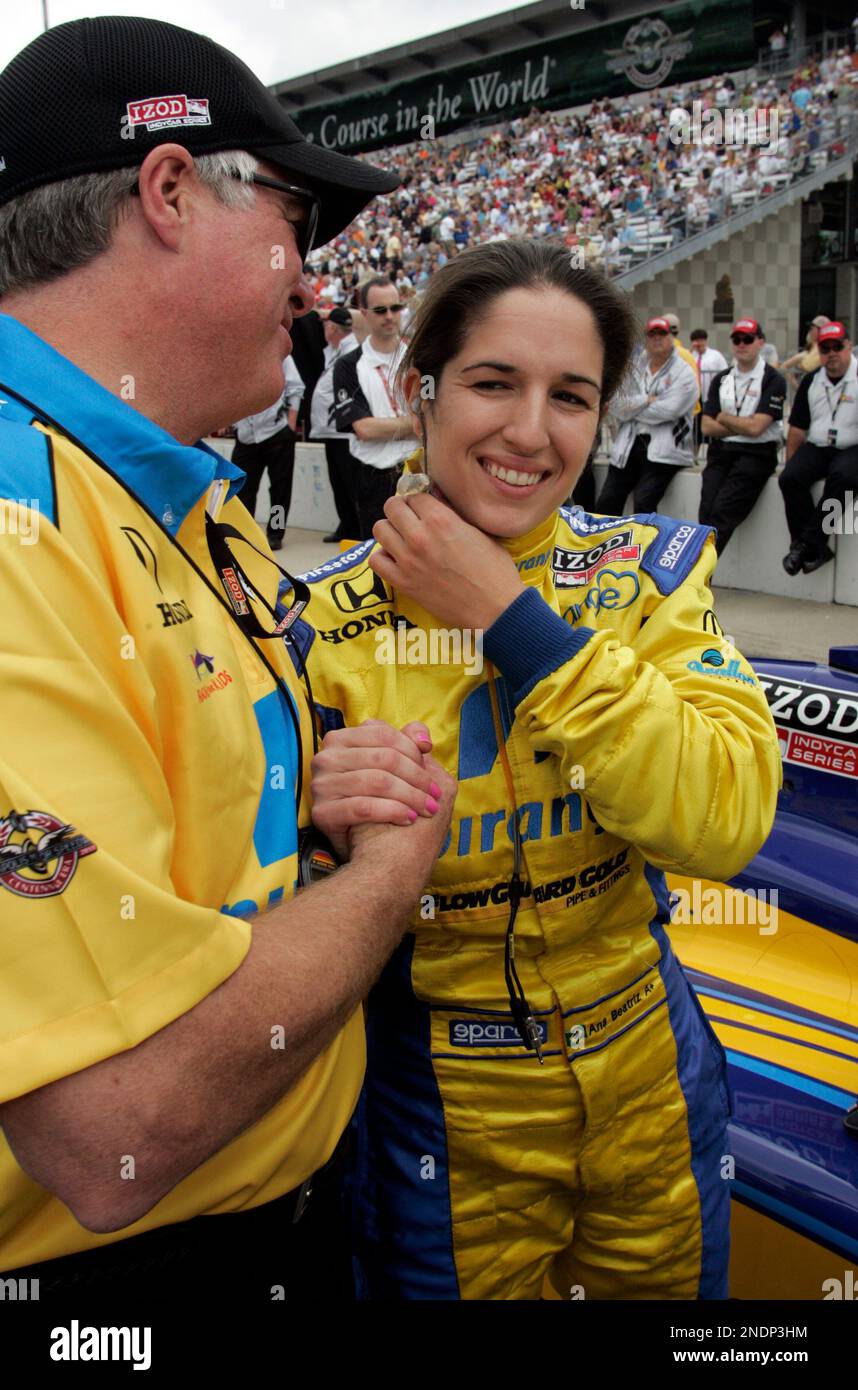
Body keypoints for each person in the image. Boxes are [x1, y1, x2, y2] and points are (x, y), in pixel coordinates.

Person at [0, 15, 455, 1298]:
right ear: (167, 191)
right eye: (297, 226)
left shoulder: (182, 494)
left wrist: (312, 797)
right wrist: (389, 865)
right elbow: (116, 1134)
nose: (310, 281)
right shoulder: (17, 525)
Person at [297, 240, 781, 1300]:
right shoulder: (314, 622)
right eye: (492, 383)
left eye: (570, 396)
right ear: (421, 391)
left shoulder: (649, 572)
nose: (529, 432)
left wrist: (512, 624)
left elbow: (724, 818)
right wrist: (315, 835)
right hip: (434, 1104)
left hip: (652, 1068)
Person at [332, 277, 414, 539]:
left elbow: (436, 414)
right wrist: (415, 424)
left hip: (418, 471)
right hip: (374, 479)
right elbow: (365, 429)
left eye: (395, 308)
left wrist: (390, 426)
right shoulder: (348, 365)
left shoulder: (421, 357)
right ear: (365, 314)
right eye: (380, 310)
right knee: (379, 558)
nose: (390, 316)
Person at [699, 318, 786, 554]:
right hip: (722, 451)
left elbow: (756, 429)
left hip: (756, 454)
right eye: (737, 339)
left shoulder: (773, 379)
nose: (742, 344)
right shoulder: (722, 378)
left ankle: (697, 576)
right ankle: (698, 576)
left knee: (722, 512)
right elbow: (706, 426)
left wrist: (724, 418)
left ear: (760, 342)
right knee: (706, 509)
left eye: (748, 339)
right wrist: (743, 424)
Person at [597, 316, 699, 515]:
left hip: (666, 450)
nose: (657, 338)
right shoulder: (634, 366)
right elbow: (616, 404)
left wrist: (632, 409)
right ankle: (607, 544)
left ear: (672, 338)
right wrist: (645, 400)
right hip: (628, 444)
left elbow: (670, 410)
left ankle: (643, 546)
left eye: (662, 334)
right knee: (607, 502)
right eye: (652, 334)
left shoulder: (684, 372)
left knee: (644, 503)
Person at [780, 321, 858, 574]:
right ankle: (814, 549)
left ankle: (804, 545)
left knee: (845, 478)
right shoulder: (812, 380)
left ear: (849, 346)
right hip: (819, 444)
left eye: (837, 346)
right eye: (825, 348)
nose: (832, 353)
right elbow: (797, 428)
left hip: (852, 445)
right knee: (790, 478)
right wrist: (791, 461)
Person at [232, 354, 304, 549]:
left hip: (277, 432)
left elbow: (296, 387)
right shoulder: (232, 355)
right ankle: (243, 532)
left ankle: (276, 533)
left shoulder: (278, 353)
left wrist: (290, 423)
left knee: (280, 490)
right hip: (246, 435)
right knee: (242, 489)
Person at [309, 307, 360, 543]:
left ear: (333, 328)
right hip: (332, 431)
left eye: (326, 325)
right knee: (339, 484)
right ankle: (347, 526)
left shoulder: (352, 351)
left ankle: (358, 530)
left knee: (350, 485)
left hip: (344, 431)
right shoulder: (336, 350)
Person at [689, 328, 728, 452]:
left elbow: (725, 374)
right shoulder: (691, 356)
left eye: (700, 340)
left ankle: (713, 454)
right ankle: (693, 456)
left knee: (712, 429)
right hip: (695, 399)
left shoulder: (715, 355)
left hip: (710, 398)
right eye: (695, 340)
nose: (698, 343)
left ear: (705, 340)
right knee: (695, 431)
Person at [782, 316, 829, 388]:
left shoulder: (821, 347)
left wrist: (799, 364)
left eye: (812, 329)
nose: (810, 331)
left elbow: (807, 366)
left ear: (820, 330)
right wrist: (797, 387)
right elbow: (784, 366)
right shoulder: (812, 349)